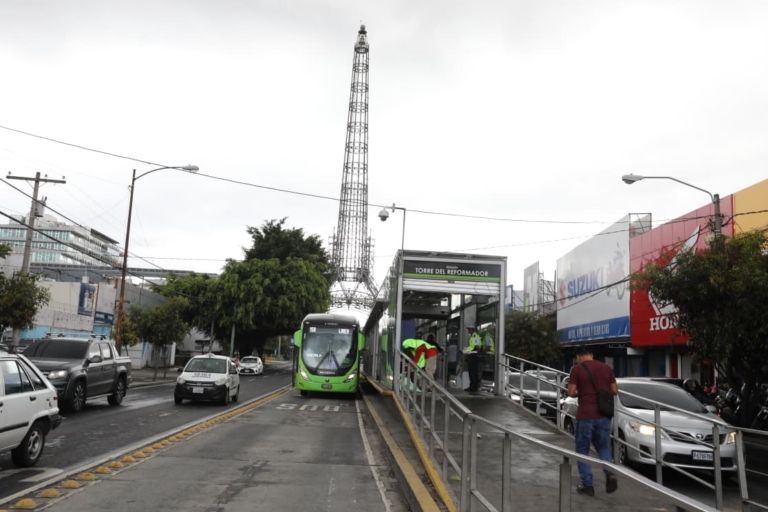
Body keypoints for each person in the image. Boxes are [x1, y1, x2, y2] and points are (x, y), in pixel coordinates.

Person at [567, 347, 619, 497]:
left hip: (586, 415)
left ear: (578, 357)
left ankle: (587, 485)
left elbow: (571, 392)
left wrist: (581, 393)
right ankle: (610, 473)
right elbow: (614, 390)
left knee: (582, 449)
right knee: (603, 446)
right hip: (604, 415)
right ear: (591, 354)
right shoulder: (606, 368)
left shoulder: (577, 369)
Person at [464, 324, 483, 392]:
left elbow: (477, 347)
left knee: (473, 372)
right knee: (471, 371)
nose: (468, 330)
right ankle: (471, 386)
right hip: (471, 355)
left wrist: (479, 354)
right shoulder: (471, 336)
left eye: (469, 329)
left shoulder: (476, 337)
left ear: (473, 329)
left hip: (474, 356)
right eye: (468, 329)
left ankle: (473, 387)